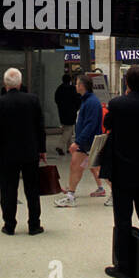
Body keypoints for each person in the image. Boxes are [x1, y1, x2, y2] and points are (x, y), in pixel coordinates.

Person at [102, 64, 139, 278]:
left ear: (126, 82)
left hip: (122, 170)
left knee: (123, 218)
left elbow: (107, 124)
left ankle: (124, 266)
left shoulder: (117, 104)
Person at [0, 67, 47, 236]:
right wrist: (41, 149)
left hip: (7, 154)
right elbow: (40, 127)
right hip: (30, 152)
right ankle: (34, 225)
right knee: (32, 189)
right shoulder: (33, 100)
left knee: (8, 189)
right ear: (20, 83)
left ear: (4, 84)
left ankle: (9, 225)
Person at [55, 75, 104, 206]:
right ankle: (71, 194)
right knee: (77, 166)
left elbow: (90, 124)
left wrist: (78, 141)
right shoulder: (87, 101)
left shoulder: (91, 102)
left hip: (88, 143)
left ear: (82, 86)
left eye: (77, 84)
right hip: (87, 143)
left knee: (96, 168)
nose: (75, 86)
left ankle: (71, 195)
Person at [53, 72, 81, 155]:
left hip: (62, 111)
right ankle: (60, 146)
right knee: (68, 129)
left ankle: (70, 148)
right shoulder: (72, 88)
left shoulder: (59, 88)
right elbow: (77, 100)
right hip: (71, 111)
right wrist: (76, 108)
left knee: (67, 128)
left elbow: (56, 99)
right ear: (70, 80)